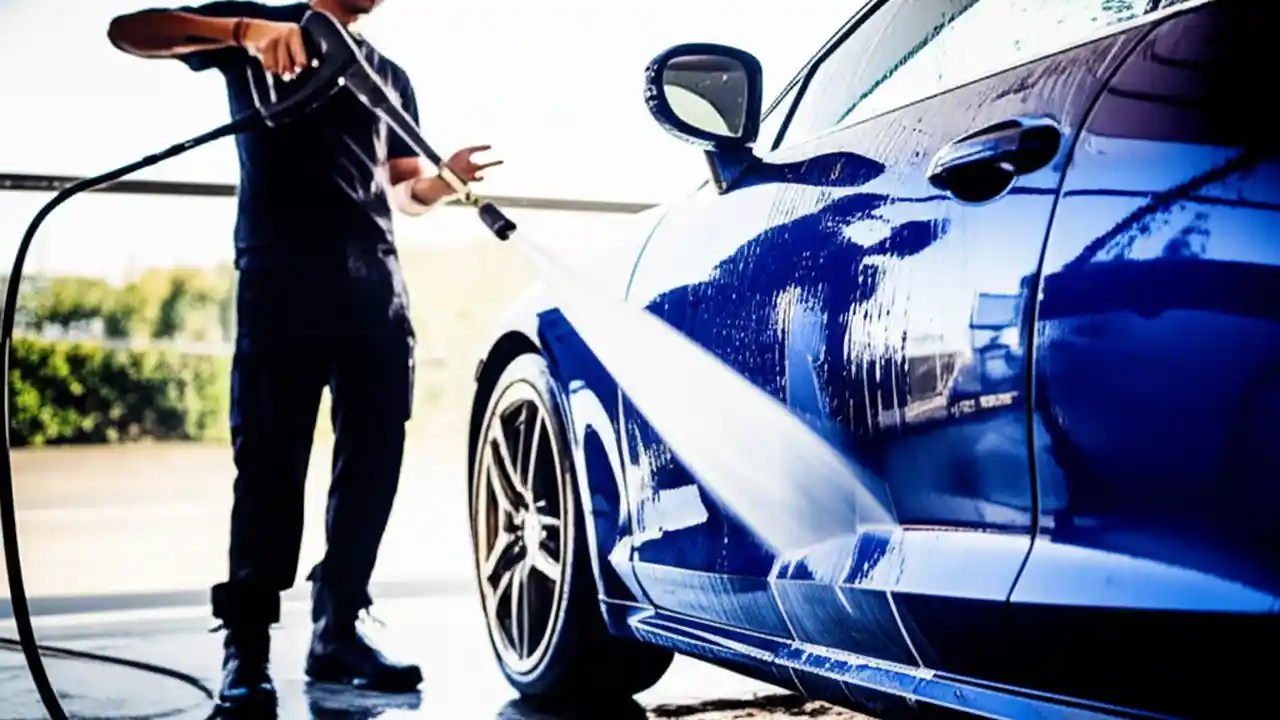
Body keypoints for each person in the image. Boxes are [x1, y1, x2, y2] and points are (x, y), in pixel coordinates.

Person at [107, 0, 501, 711]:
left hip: (376, 291)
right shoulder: (256, 26)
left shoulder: (387, 74)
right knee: (268, 466)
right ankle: (246, 651)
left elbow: (405, 189)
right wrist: (244, 35)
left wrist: (445, 181)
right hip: (281, 281)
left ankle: (338, 631)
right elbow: (129, 32)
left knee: (373, 463)